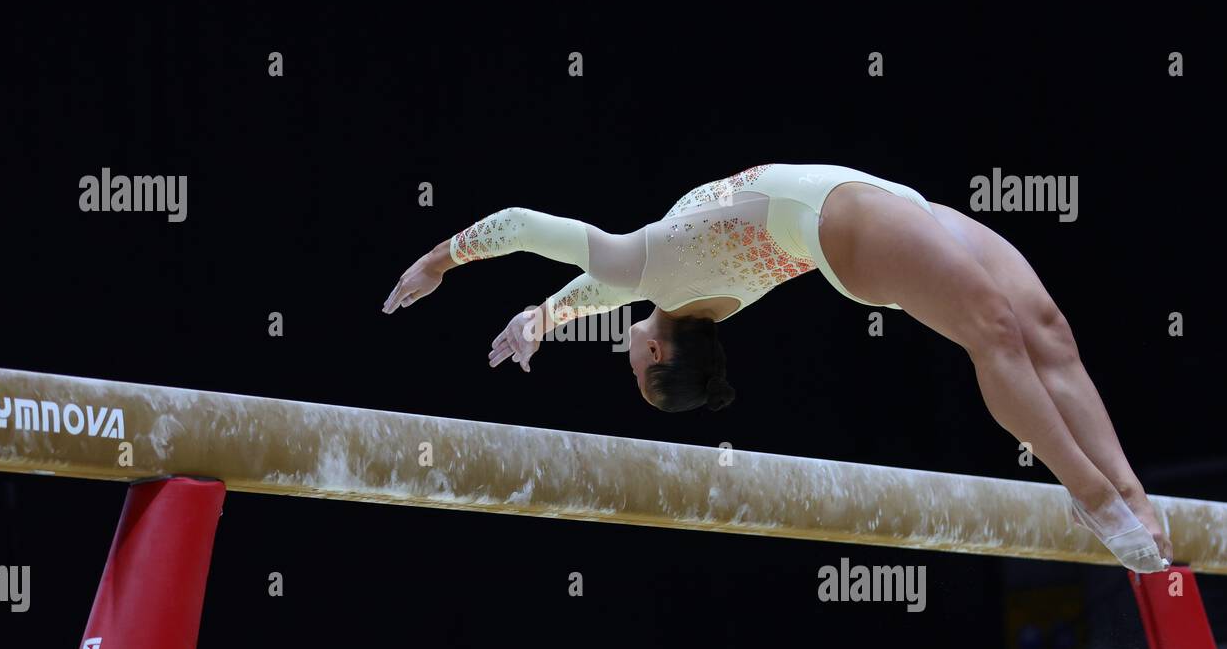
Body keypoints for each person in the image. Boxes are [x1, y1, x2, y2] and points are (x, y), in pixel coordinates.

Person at [383, 163, 1170, 574]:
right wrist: (447, 267)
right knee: (996, 331)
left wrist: (530, 309)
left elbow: (566, 258)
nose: (624, 357)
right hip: (851, 224)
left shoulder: (666, 285)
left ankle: (1131, 493)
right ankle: (1093, 494)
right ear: (656, 350)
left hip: (877, 199)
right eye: (633, 370)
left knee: (1045, 329)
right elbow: (533, 234)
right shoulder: (667, 287)